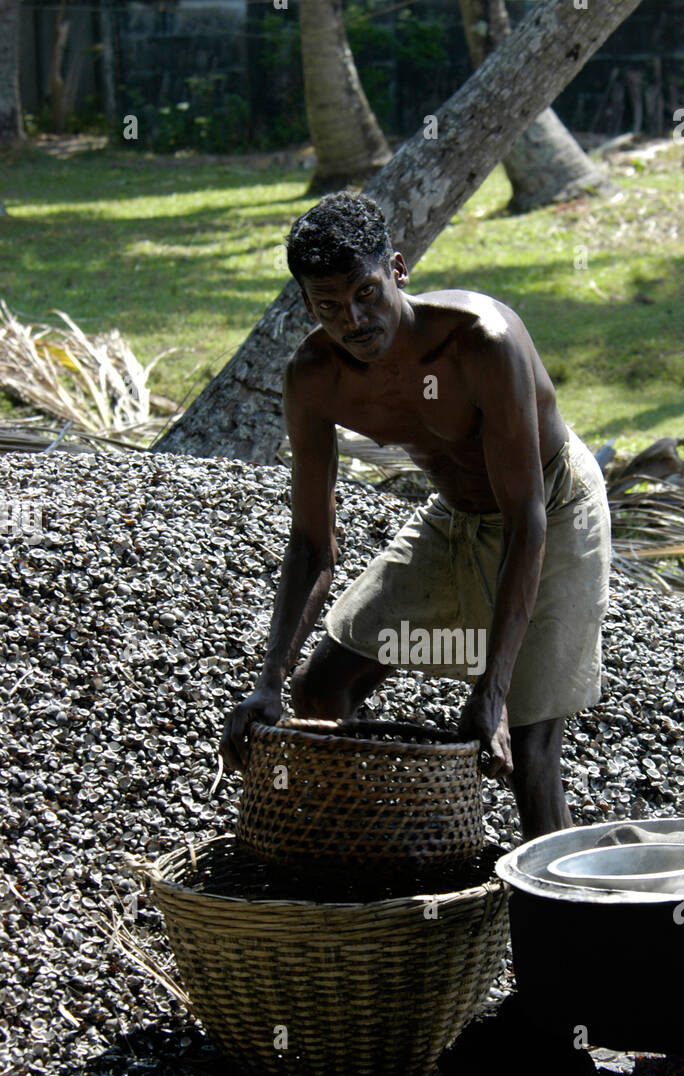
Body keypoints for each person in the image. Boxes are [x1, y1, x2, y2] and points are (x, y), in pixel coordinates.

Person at [221, 191, 611, 841]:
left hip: (550, 506)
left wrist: (493, 690)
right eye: (328, 307)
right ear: (307, 305)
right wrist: (268, 684)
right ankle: (365, 861)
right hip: (453, 516)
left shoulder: (481, 344)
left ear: (397, 270)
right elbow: (313, 545)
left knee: (530, 753)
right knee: (318, 693)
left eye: (366, 293)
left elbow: (527, 521)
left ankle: (555, 935)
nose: (353, 320)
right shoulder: (314, 380)